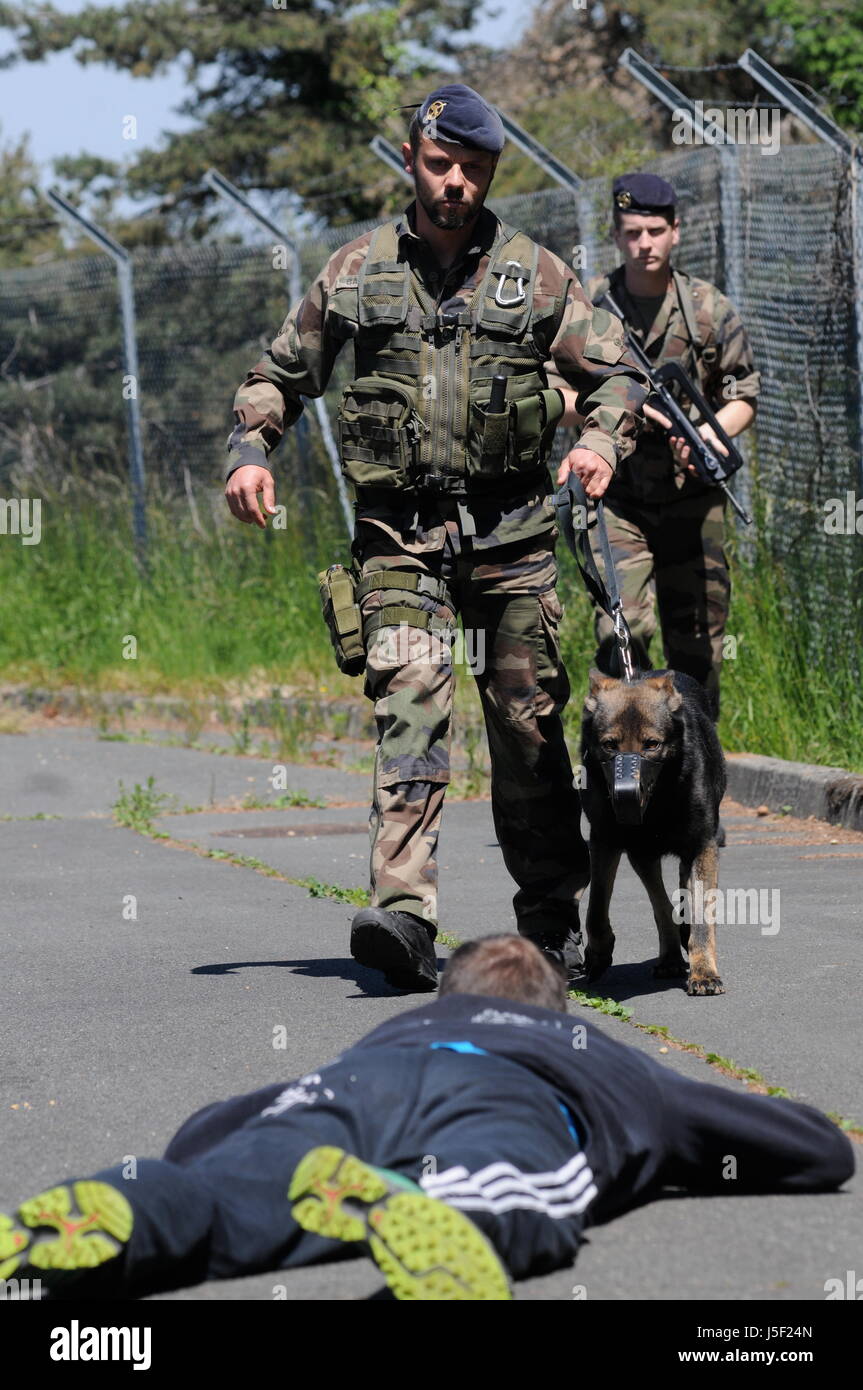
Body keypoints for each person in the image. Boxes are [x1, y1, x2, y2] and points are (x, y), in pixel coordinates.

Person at [224, 85, 649, 990]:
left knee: (527, 736)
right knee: (411, 708)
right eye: (440, 165)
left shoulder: (535, 273)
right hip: (399, 542)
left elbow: (614, 378)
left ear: (491, 173)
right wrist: (249, 451)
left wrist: (600, 442)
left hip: (514, 537)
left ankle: (549, 924)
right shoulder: (355, 270)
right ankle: (405, 915)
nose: (455, 183)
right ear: (412, 161)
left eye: (473, 169)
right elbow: (281, 371)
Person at [1, 935, 852, 1302]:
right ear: (556, 1008)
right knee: (502, 1169)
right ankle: (449, 1214)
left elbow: (207, 1128)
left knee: (227, 1187)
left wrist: (194, 1167)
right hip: (507, 1093)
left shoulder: (397, 1027)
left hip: (346, 1087)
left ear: (450, 995)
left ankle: (121, 1207)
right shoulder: (588, 1053)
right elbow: (812, 1149)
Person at [585, 172, 760, 723]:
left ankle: (696, 768)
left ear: (676, 232)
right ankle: (625, 761)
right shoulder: (590, 309)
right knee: (624, 634)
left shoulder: (708, 310)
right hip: (617, 497)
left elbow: (744, 394)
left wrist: (708, 433)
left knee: (697, 643)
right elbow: (560, 393)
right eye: (632, 232)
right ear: (615, 235)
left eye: (655, 231)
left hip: (693, 498)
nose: (645, 244)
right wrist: (618, 415)